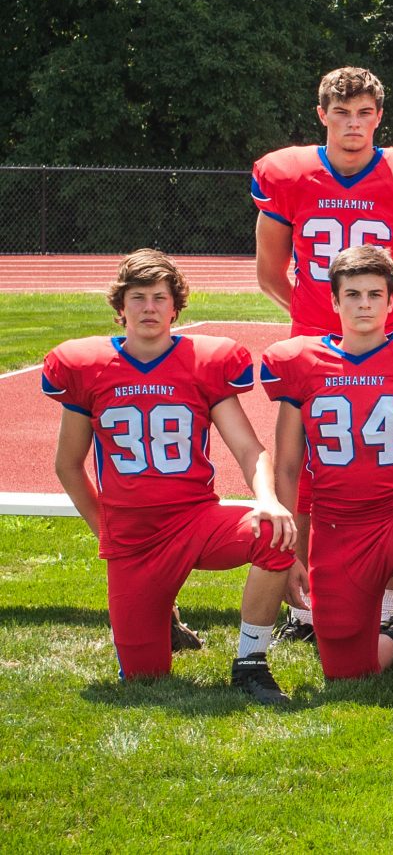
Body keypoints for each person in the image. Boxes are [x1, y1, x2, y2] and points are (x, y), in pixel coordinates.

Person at [43, 250, 297, 703]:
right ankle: (163, 621)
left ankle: (251, 663)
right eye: (137, 298)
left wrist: (267, 499)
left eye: (159, 298)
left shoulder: (202, 361)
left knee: (274, 534)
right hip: (133, 536)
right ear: (120, 307)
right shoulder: (88, 366)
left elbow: (247, 447)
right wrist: (106, 528)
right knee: (145, 680)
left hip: (194, 519)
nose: (149, 308)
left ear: (175, 307)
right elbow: (68, 465)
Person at [253, 66, 393, 644]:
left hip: (383, 347)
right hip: (312, 345)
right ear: (323, 116)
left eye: (364, 113)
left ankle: (388, 605)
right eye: (342, 113)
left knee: (385, 466)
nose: (353, 125)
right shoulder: (289, 174)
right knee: (309, 474)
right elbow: (270, 273)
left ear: (379, 117)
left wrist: (379, 324)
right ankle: (305, 602)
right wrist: (322, 323)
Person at [260, 246, 393, 700]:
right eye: (353, 294)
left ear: (391, 301)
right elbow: (286, 466)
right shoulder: (302, 364)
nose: (364, 304)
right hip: (339, 529)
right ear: (334, 302)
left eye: (375, 294)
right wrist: (292, 551)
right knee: (346, 672)